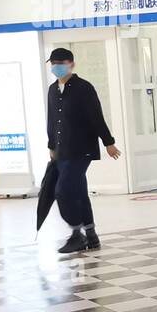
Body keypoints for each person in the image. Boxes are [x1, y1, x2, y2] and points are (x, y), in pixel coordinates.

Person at [46, 47, 120, 253]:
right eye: (53, 64)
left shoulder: (83, 88)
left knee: (62, 191)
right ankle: (91, 235)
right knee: (78, 191)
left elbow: (96, 116)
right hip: (62, 151)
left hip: (81, 150)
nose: (57, 68)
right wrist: (51, 145)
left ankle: (76, 233)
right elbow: (51, 120)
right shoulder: (52, 89)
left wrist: (108, 142)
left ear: (71, 64)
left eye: (61, 64)